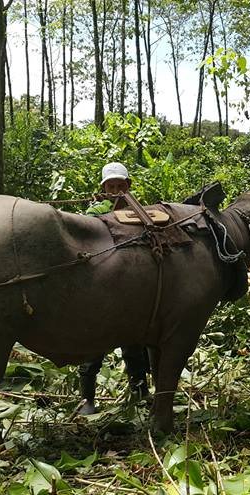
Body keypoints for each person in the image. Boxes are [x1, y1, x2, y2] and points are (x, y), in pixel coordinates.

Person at [77, 162, 150, 415]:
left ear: (129, 186)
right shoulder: (95, 211)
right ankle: (86, 399)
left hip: (131, 288)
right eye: (112, 186)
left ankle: (140, 392)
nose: (117, 190)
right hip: (102, 289)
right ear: (104, 188)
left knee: (134, 346)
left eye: (121, 186)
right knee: (93, 346)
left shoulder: (140, 211)